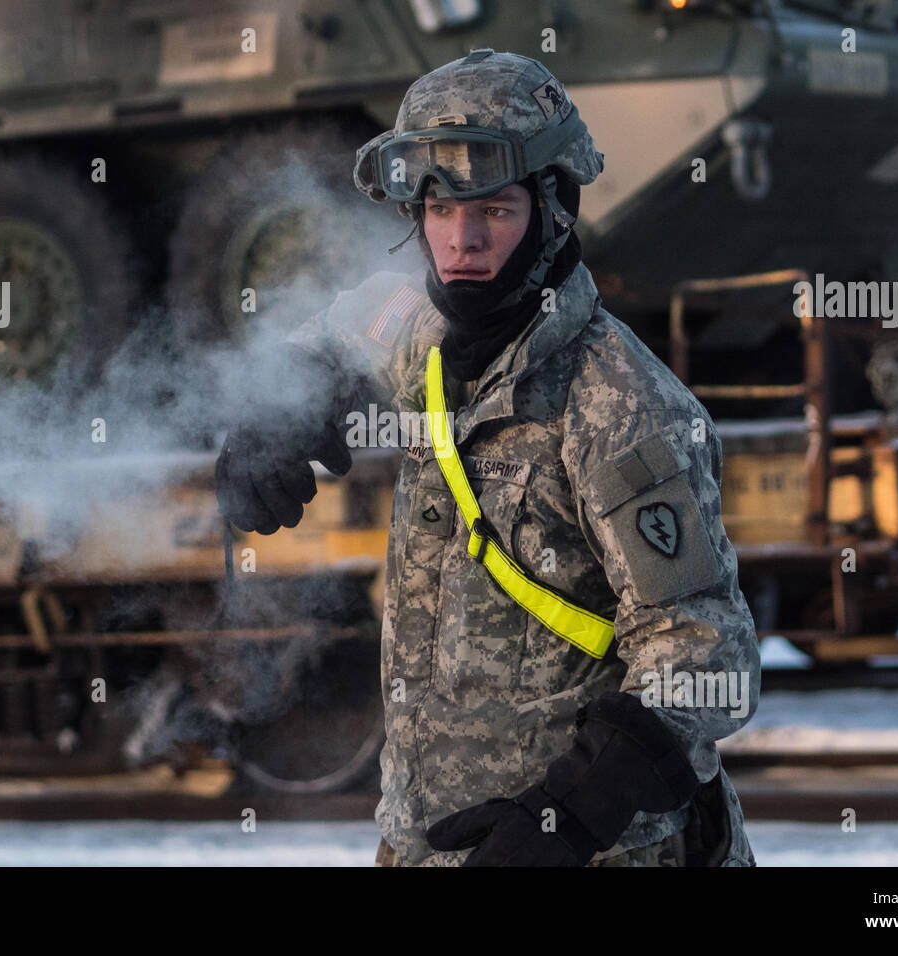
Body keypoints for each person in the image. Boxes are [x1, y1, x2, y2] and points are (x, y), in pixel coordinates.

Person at [215, 49, 760, 867]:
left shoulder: (618, 406)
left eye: (494, 211)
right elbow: (333, 334)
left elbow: (706, 653)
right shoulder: (417, 325)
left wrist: (569, 816)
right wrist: (270, 414)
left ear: (552, 212)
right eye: (437, 211)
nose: (460, 241)